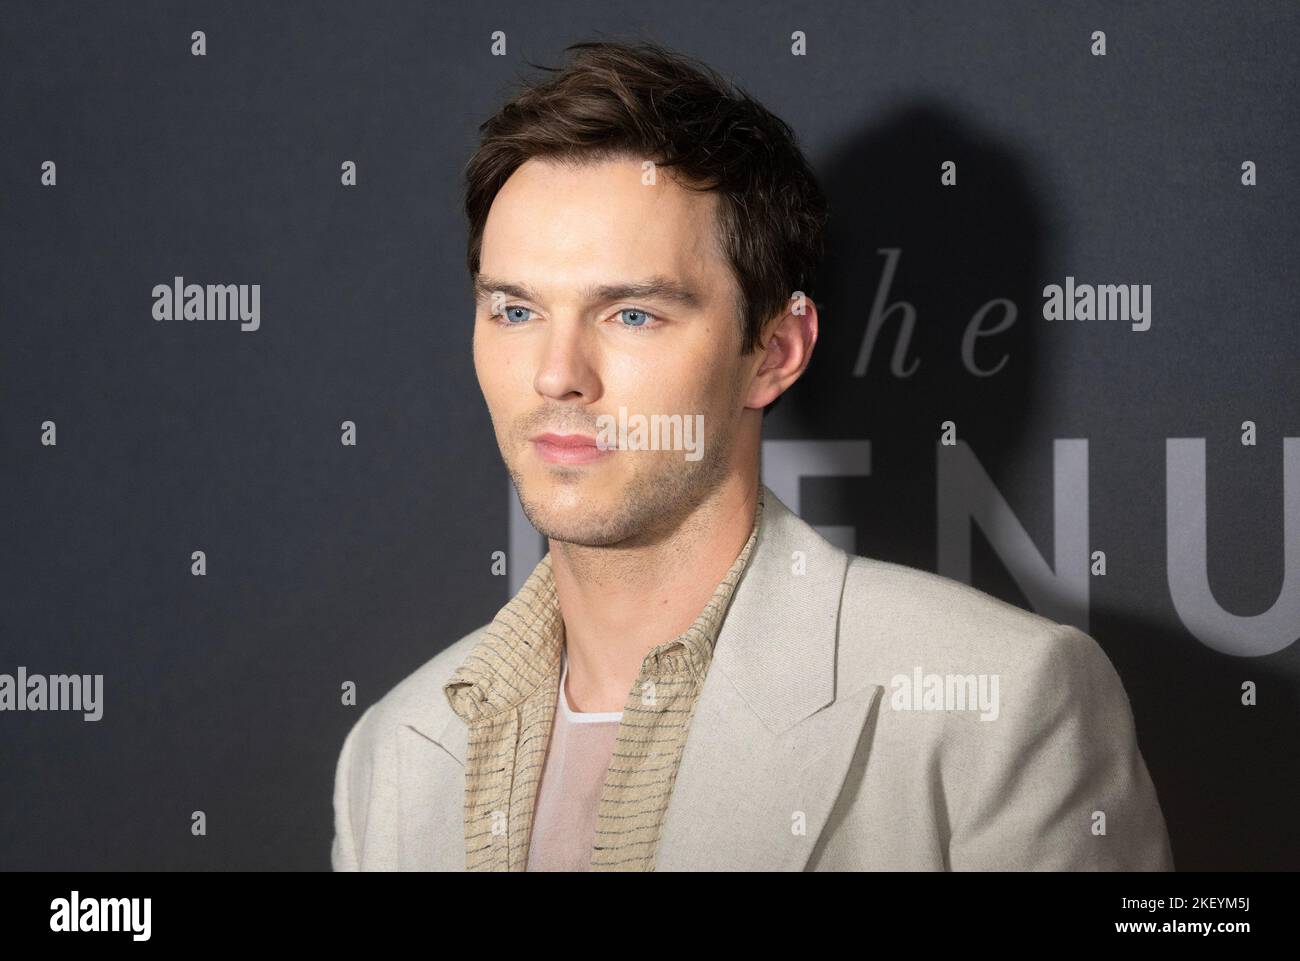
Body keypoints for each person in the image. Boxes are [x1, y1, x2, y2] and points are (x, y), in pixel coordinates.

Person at [331, 39, 1174, 871]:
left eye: (631, 314)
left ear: (774, 351)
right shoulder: (391, 758)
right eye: (515, 311)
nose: (558, 375)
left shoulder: (1000, 704)